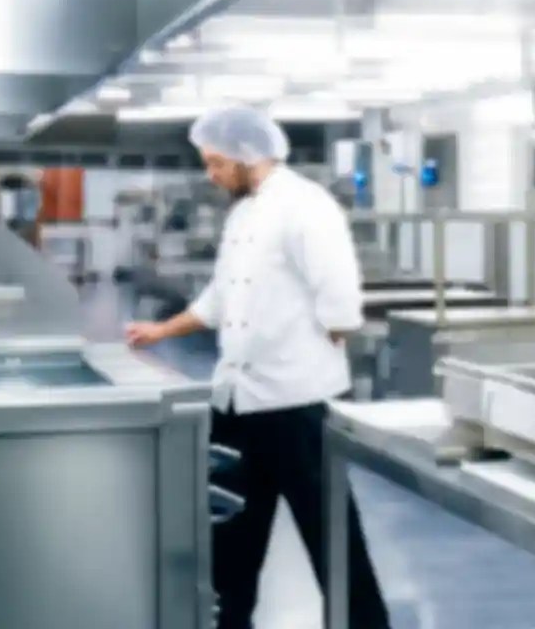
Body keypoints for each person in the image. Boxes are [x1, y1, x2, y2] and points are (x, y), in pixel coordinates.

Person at [125, 106, 390, 629]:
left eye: (217, 163)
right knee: (231, 540)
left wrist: (316, 347)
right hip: (239, 402)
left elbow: (339, 298)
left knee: (333, 540)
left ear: (248, 157)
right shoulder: (243, 212)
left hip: (298, 407)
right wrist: (161, 331)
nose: (212, 174)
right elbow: (222, 296)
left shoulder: (307, 207)